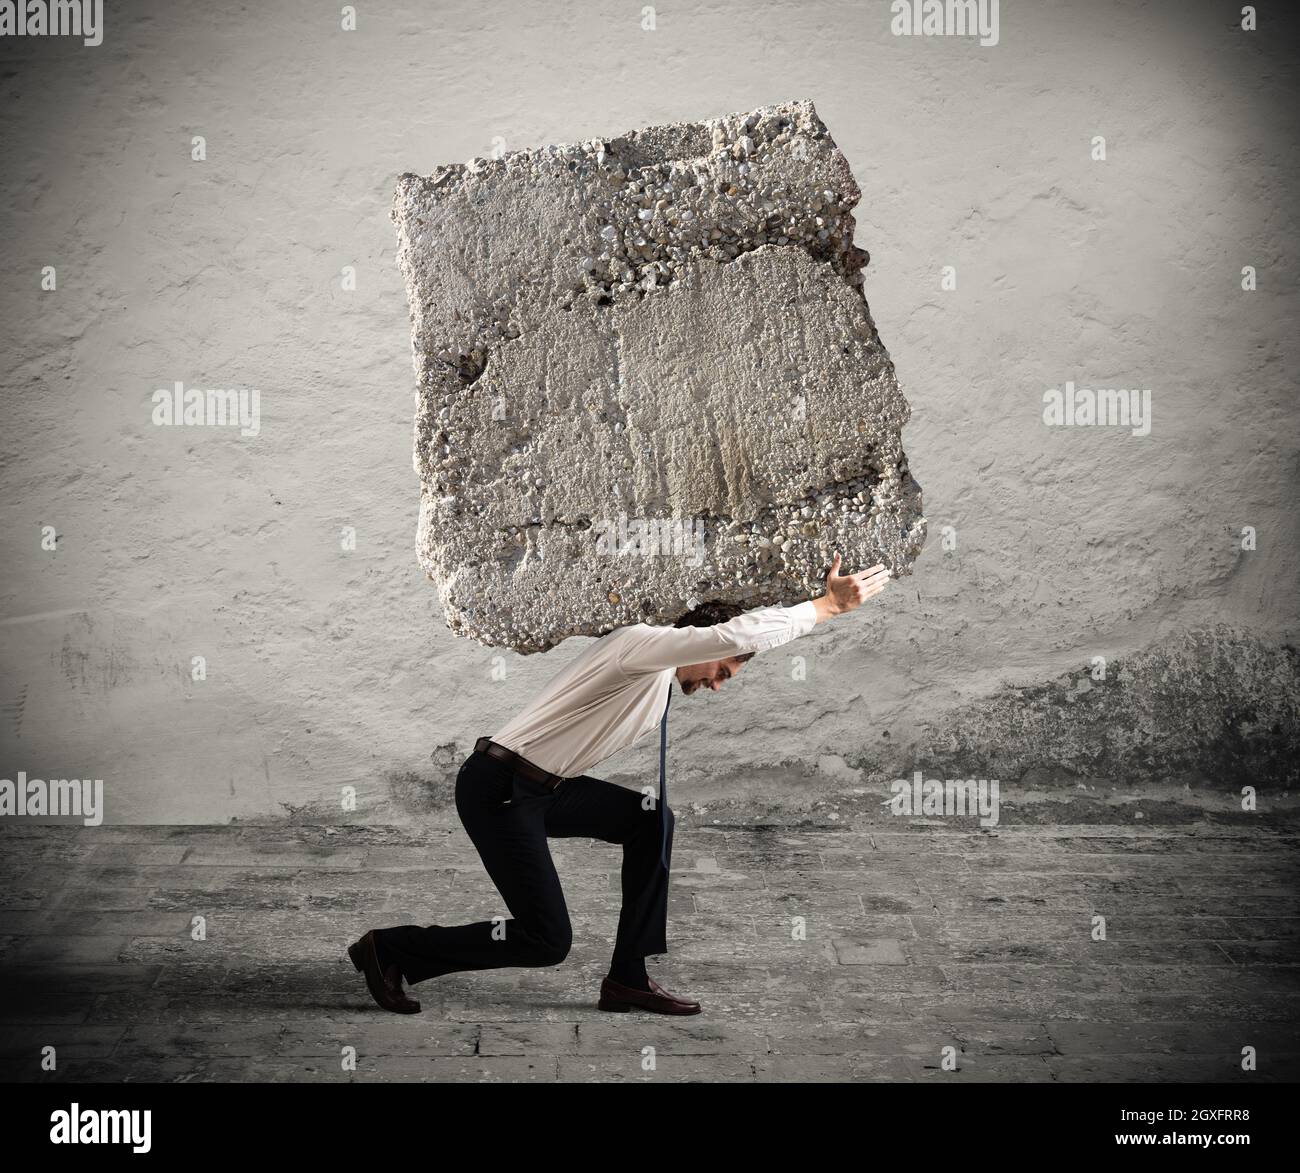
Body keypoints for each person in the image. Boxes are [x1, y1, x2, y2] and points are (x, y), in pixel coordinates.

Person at [349, 552, 892, 1015]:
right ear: (699, 645)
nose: (717, 686)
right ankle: (392, 949)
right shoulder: (641, 646)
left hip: (544, 788)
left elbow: (723, 643)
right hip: (500, 788)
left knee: (649, 816)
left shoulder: (655, 682)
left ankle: (627, 977)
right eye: (722, 672)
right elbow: (730, 633)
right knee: (547, 941)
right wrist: (824, 608)